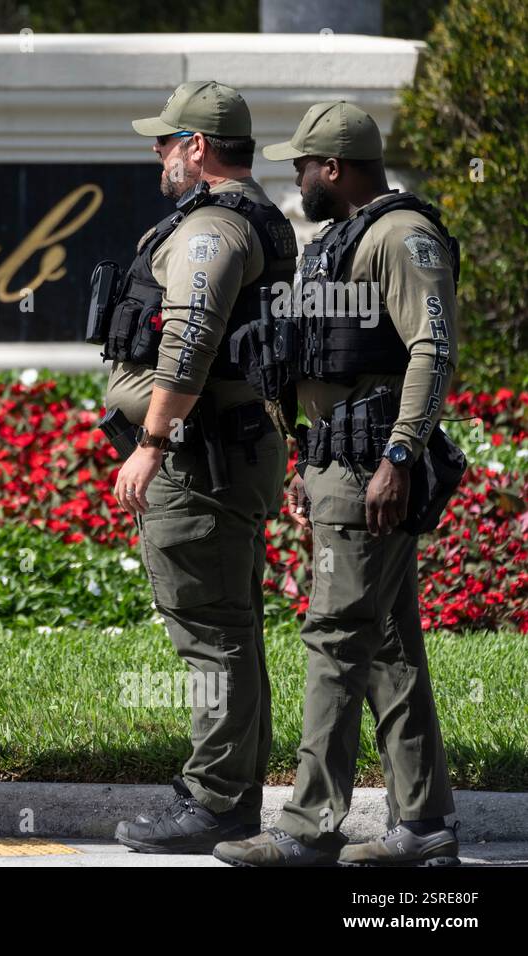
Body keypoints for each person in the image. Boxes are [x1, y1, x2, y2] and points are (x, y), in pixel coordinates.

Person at [215, 102, 461, 867]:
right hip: (336, 465)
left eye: (304, 165)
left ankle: (307, 826)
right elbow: (316, 363)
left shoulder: (400, 235)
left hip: (371, 467)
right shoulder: (337, 243)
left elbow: (432, 347)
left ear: (336, 167)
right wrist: (307, 462)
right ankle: (424, 826)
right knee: (386, 643)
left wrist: (397, 456)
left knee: (335, 637)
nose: (296, 178)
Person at [91, 81, 297, 853]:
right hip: (228, 448)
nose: (157, 153)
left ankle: (215, 803)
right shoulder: (256, 221)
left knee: (211, 635)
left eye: (165, 141)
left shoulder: (213, 229)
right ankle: (228, 791)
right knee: (230, 628)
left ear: (198, 147)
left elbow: (189, 340)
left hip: (198, 457)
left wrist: (150, 444)